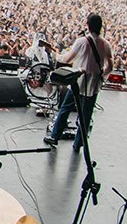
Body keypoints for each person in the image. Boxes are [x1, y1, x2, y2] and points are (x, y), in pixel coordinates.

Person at [46, 14, 114, 151]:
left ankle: (55, 136)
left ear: (88, 26)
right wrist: (101, 76)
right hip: (94, 84)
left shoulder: (82, 41)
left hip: (79, 81)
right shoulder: (106, 44)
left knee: (65, 108)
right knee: (86, 115)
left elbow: (66, 59)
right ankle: (78, 143)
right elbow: (110, 65)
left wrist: (55, 54)